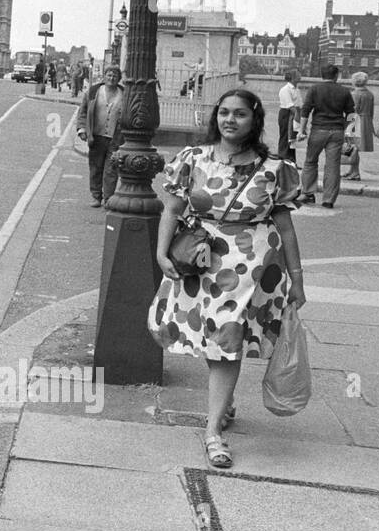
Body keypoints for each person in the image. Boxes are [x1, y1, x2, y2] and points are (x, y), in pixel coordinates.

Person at [149, 89, 305, 470]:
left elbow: (285, 227)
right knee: (210, 336)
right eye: (223, 113)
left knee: (226, 336)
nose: (229, 120)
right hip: (199, 260)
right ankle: (226, 400)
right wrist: (161, 252)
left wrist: (297, 279)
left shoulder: (274, 168)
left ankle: (213, 431)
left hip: (250, 265)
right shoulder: (192, 159)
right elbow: (172, 208)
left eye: (239, 114)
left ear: (255, 120)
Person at [298, 64, 356, 208]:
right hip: (337, 131)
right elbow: (351, 114)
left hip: (318, 129)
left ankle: (307, 193)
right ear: (336, 75)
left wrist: (301, 130)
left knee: (310, 161)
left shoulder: (314, 89)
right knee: (332, 166)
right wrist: (349, 136)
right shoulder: (344, 91)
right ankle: (328, 199)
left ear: (322, 75)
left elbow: (305, 111)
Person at [76, 65, 124, 208]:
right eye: (109, 75)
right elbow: (83, 111)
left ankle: (108, 199)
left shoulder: (124, 94)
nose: (112, 78)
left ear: (119, 78)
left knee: (111, 170)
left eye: (115, 75)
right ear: (104, 76)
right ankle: (96, 196)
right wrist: (82, 129)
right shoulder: (93, 91)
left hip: (115, 138)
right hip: (96, 136)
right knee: (96, 168)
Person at [346, 71, 375, 180]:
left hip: (356, 120)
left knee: (353, 147)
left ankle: (355, 172)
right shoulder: (370, 94)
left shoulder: (354, 94)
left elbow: (353, 110)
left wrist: (347, 123)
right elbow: (371, 111)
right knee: (356, 148)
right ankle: (352, 170)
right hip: (366, 120)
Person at [276, 68, 302, 162]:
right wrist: (299, 117)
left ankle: (291, 160)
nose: (300, 76)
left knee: (293, 138)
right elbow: (290, 106)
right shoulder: (285, 90)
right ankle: (283, 158)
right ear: (292, 77)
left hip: (296, 114)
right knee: (286, 136)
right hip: (287, 114)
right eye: (298, 74)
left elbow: (299, 104)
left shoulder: (297, 90)